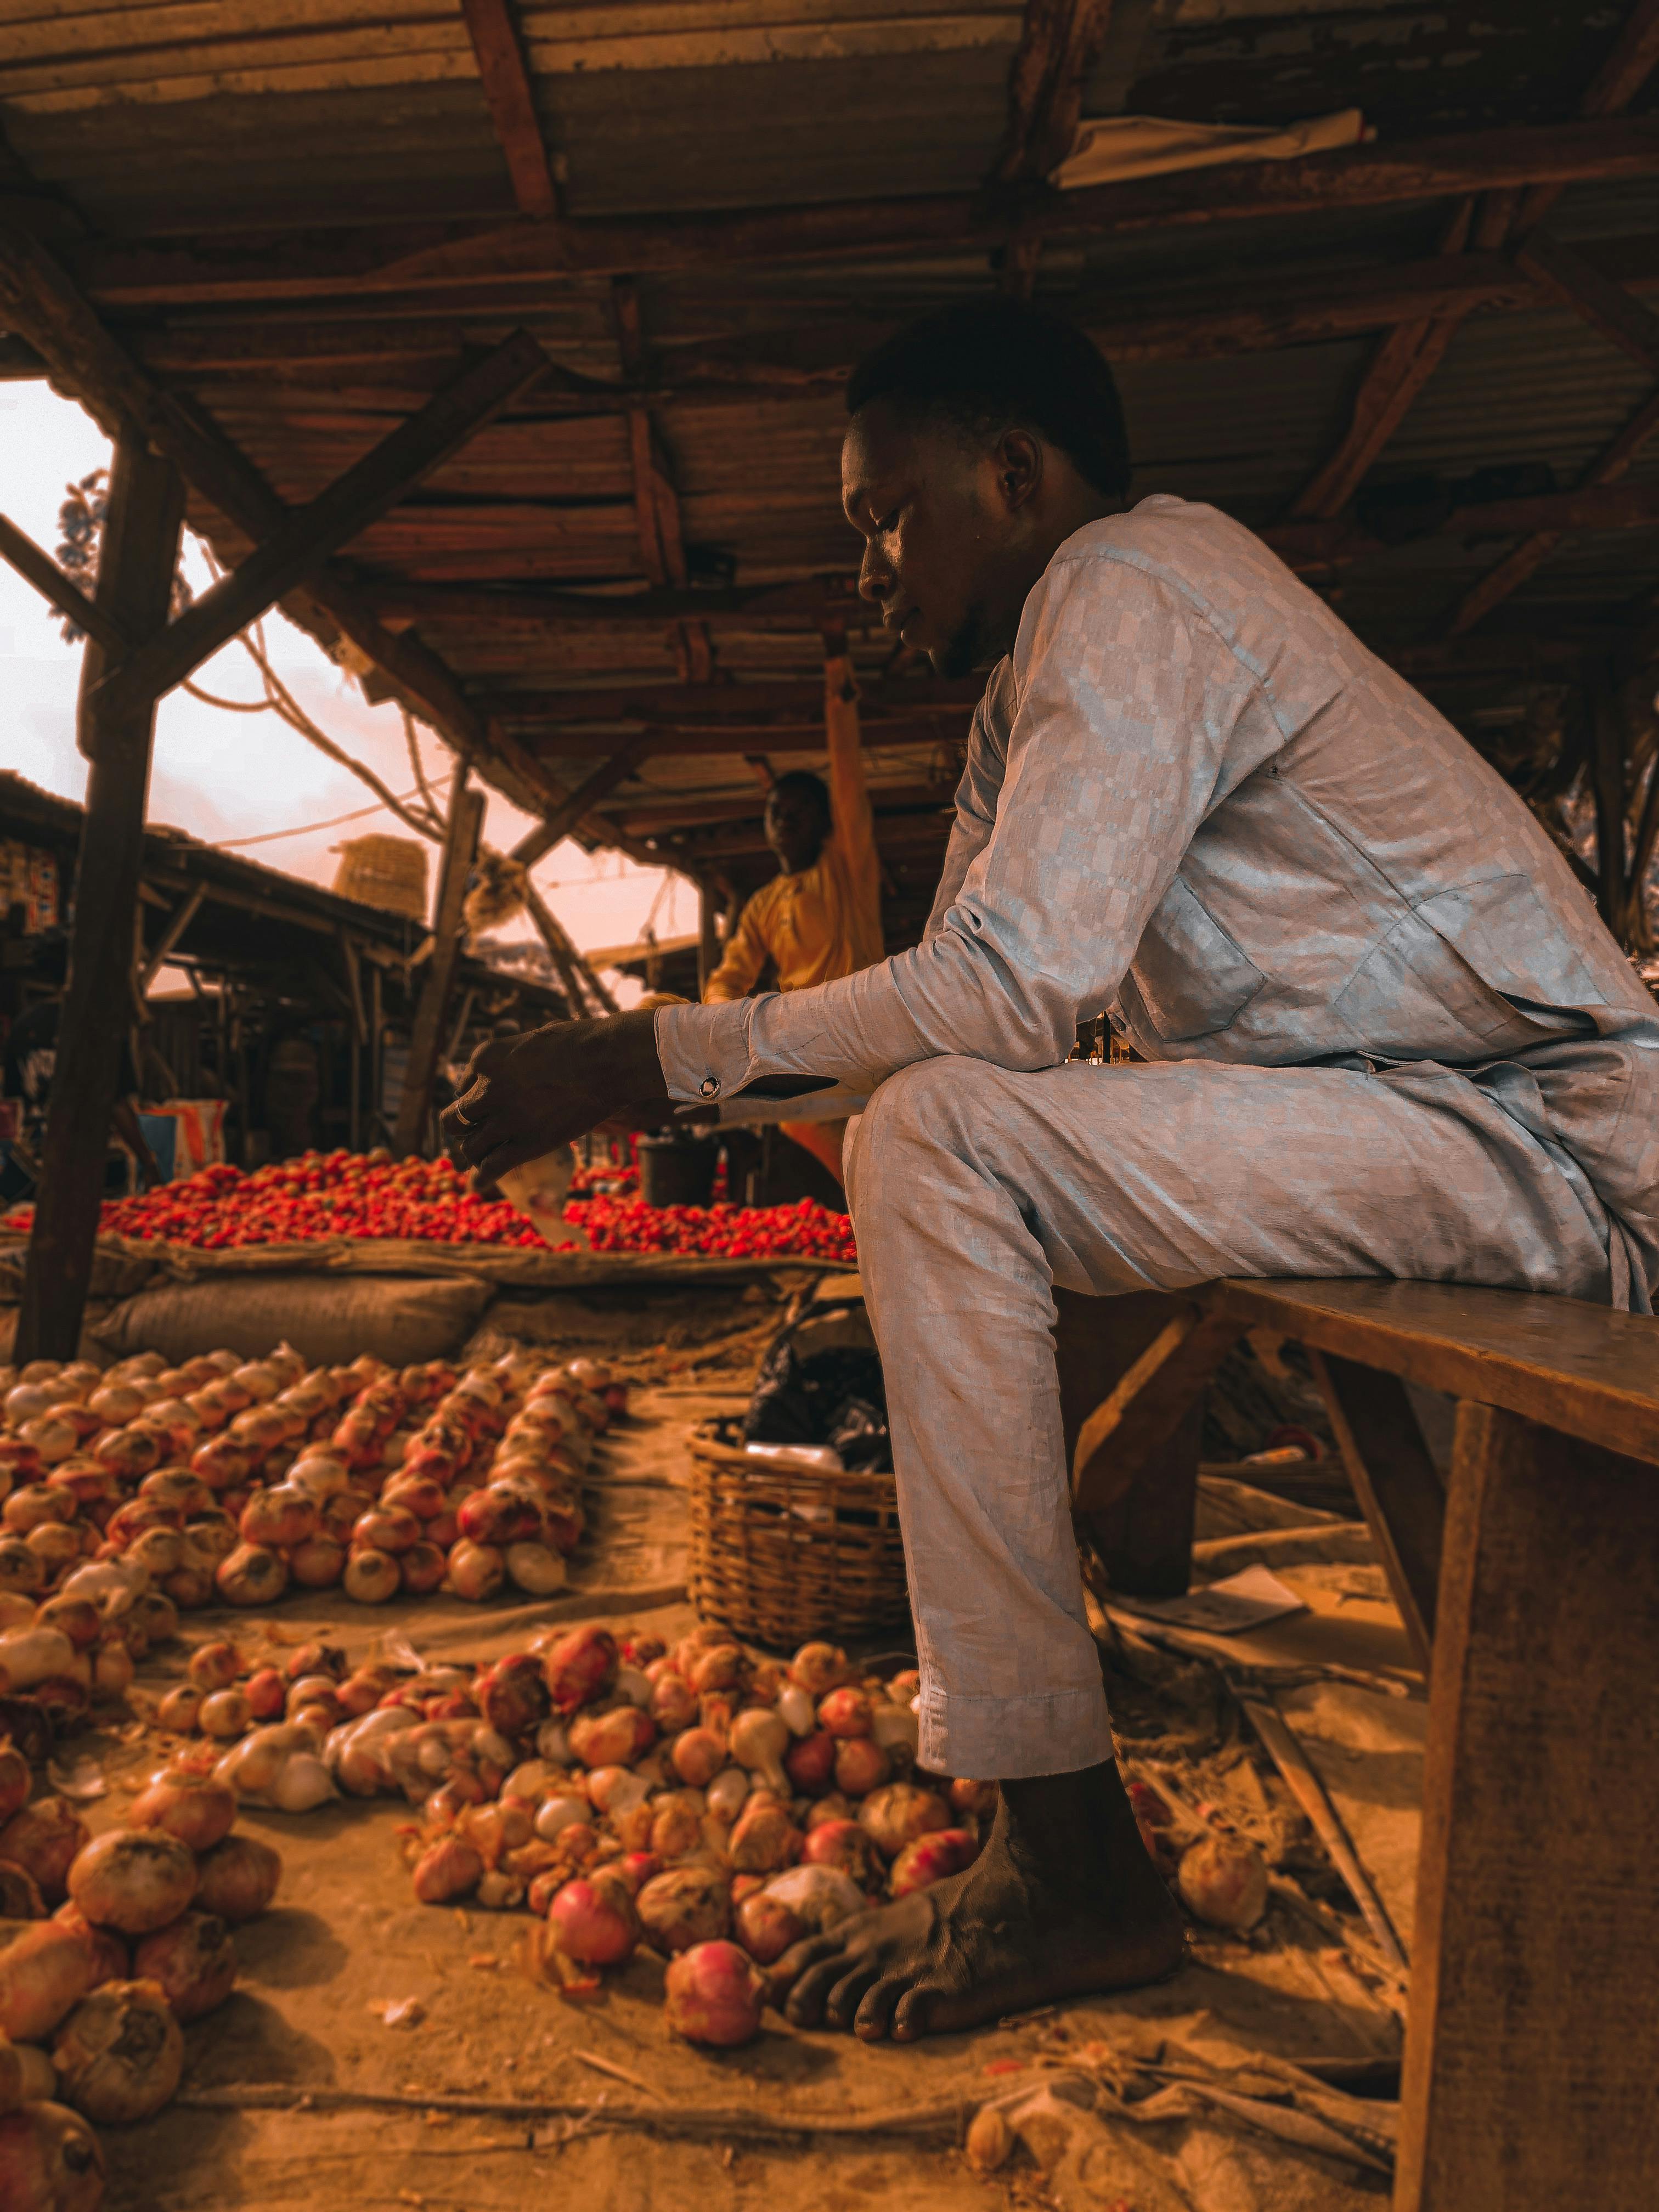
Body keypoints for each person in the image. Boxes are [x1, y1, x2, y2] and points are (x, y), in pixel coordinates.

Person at [444, 298, 1659, 2045]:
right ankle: (1071, 1725)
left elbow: (1008, 998)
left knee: (939, 1140)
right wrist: (691, 1071)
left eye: (886, 513)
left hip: (1554, 1134)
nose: (867, 566)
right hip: (1444, 1130)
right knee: (943, 1121)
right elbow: (975, 1003)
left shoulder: (1134, 583)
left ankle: (1067, 1849)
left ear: (1013, 475)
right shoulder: (1042, 682)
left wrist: (644, 1058)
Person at [700, 648, 882, 1184]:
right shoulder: (762, 904)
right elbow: (729, 976)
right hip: (798, 1053)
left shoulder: (847, 866)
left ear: (825, 823)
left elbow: (849, 781)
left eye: (798, 814)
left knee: (870, 1161)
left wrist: (837, 689)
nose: (784, 823)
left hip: (859, 1038)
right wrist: (721, 1026)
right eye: (775, 813)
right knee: (817, 1163)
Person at [3, 936, 164, 1191]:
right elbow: (117, 1105)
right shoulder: (102, 1026)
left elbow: (13, 1103)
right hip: (90, 1165)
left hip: (35, 1167)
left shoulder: (23, 1026)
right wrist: (149, 1161)